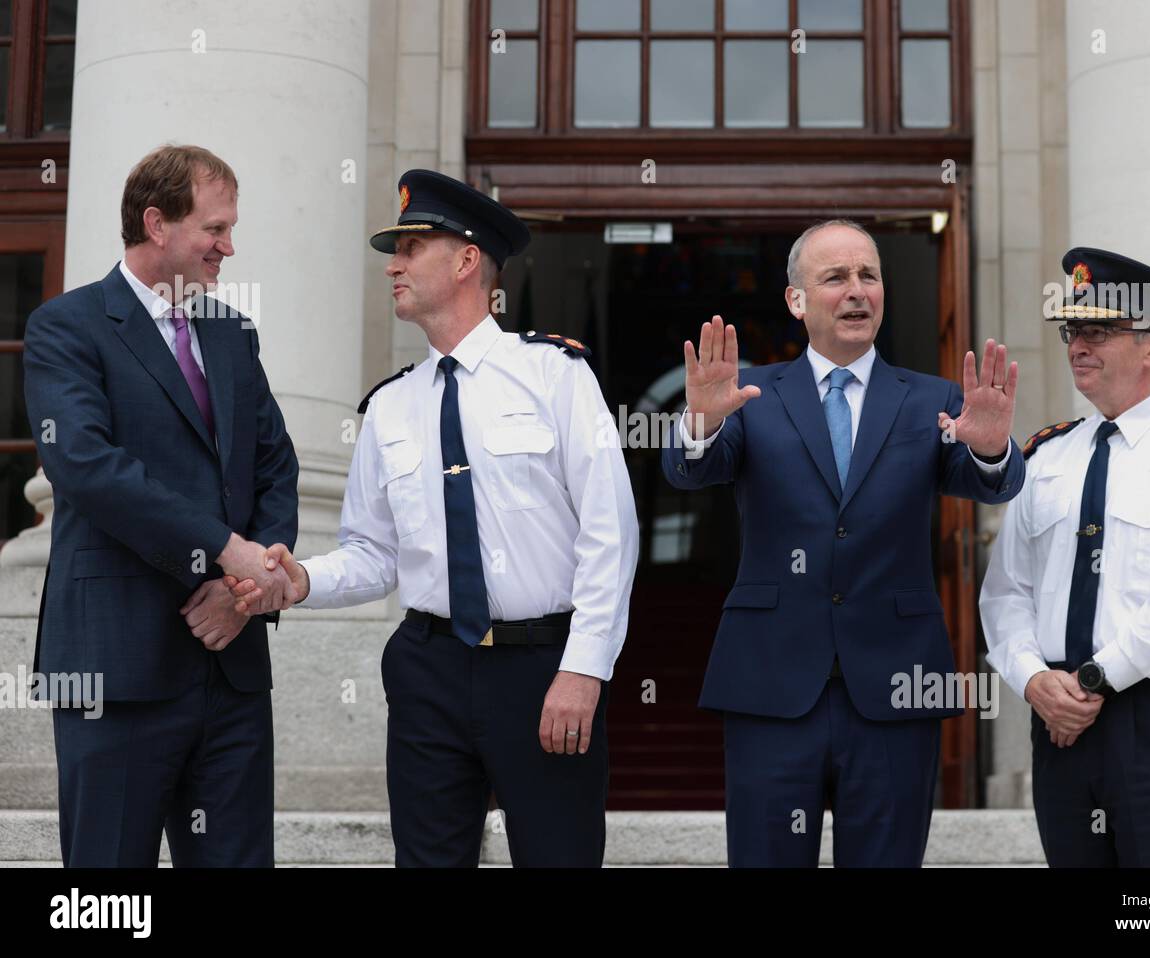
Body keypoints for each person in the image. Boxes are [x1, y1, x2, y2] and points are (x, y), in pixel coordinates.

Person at [230, 169, 639, 867]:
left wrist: (584, 669)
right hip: (429, 667)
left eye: (412, 246)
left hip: (541, 664)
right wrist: (302, 581)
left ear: (467, 258)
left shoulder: (556, 376)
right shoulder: (390, 406)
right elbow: (373, 552)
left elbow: (611, 534)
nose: (393, 265)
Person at [660, 219, 1025, 866]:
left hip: (894, 686)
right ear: (797, 301)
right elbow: (692, 472)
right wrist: (700, 424)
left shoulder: (933, 400)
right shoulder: (751, 395)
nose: (857, 291)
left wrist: (992, 447)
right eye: (835, 278)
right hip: (771, 685)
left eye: (869, 275)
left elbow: (988, 486)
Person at [22, 144, 300, 867]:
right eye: (214, 229)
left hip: (231, 668)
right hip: (116, 667)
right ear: (157, 223)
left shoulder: (233, 335)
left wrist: (247, 590)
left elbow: (276, 467)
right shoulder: (67, 327)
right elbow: (86, 467)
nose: (227, 247)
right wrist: (223, 549)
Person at [980, 247, 1150, 867]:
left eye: (1098, 331)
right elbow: (1004, 592)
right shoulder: (1044, 456)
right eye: (1072, 330)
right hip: (1059, 717)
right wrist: (1032, 680)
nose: (1078, 345)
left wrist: (1094, 680)